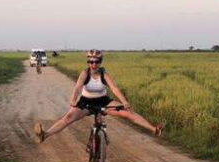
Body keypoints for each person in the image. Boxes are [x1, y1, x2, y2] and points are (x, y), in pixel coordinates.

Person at [34, 50, 163, 142]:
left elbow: (114, 89)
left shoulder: (104, 74)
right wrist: (73, 100)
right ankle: (45, 135)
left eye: (96, 62)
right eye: (90, 62)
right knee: (68, 118)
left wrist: (124, 102)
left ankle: (154, 129)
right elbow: (78, 87)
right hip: (86, 102)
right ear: (88, 62)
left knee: (128, 113)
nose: (93, 64)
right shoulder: (85, 73)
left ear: (100, 62)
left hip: (103, 101)